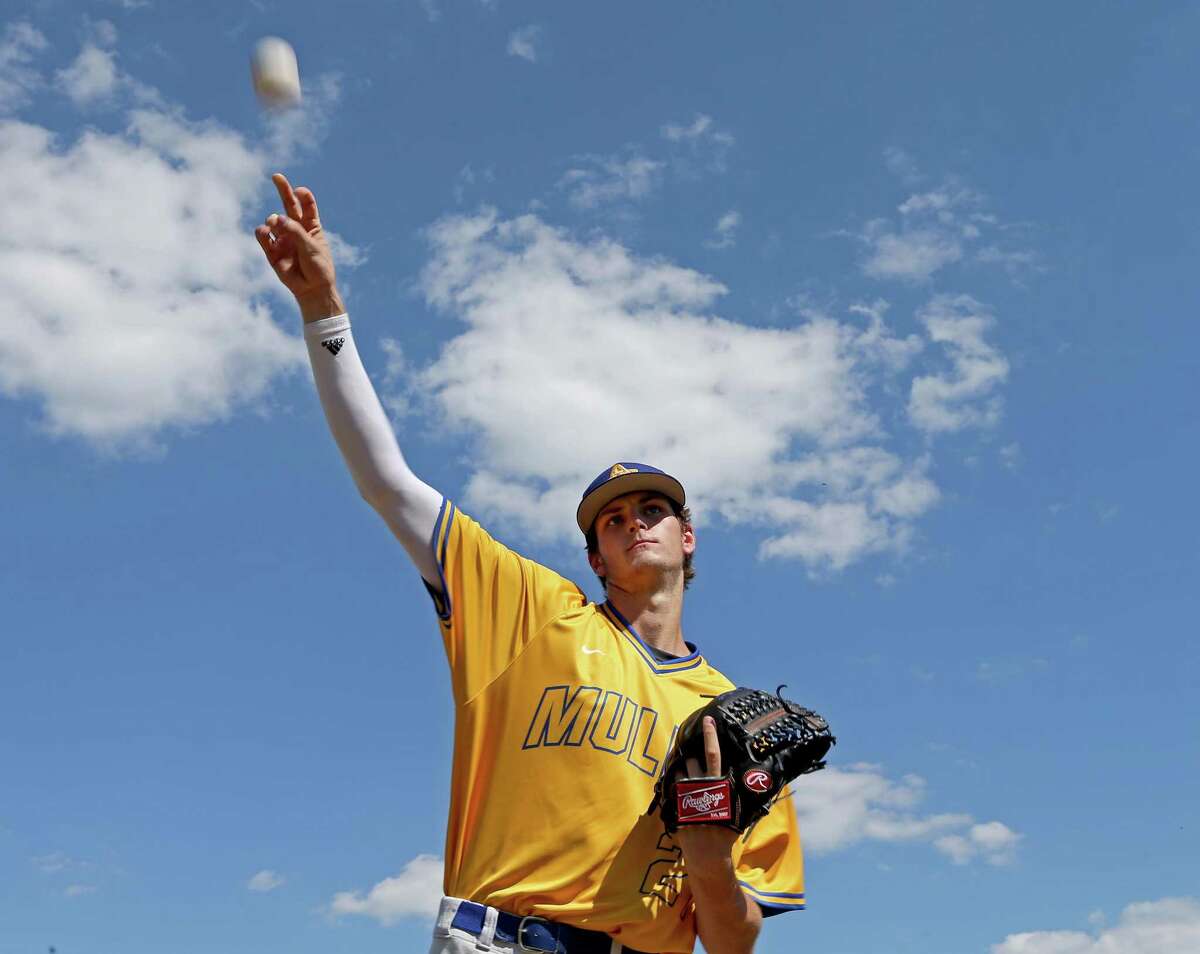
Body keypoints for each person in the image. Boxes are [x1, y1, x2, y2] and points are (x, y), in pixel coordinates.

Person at [254, 174, 806, 954]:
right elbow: (387, 483)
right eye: (612, 519)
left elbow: (731, 942)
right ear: (595, 556)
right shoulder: (531, 611)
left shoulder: (733, 725)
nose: (633, 522)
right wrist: (323, 312)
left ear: (688, 537)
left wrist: (710, 856)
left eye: (653, 510)